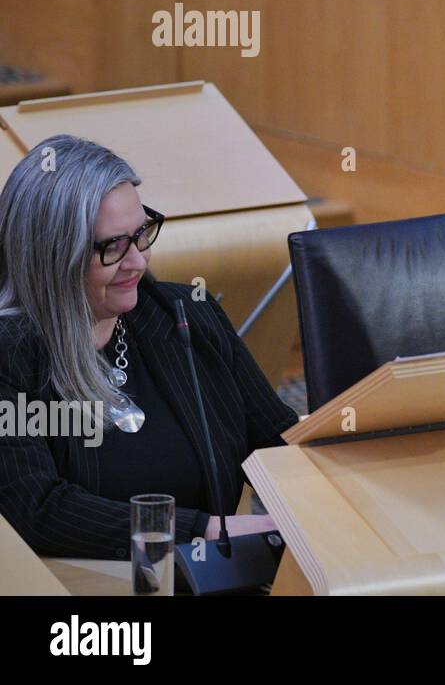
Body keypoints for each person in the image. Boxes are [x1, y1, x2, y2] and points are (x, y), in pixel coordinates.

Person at [0, 135, 299, 560]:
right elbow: (39, 512)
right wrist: (206, 530)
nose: (139, 261)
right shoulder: (11, 356)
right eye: (113, 247)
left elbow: (278, 442)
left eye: (141, 234)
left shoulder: (185, 315)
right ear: (53, 255)